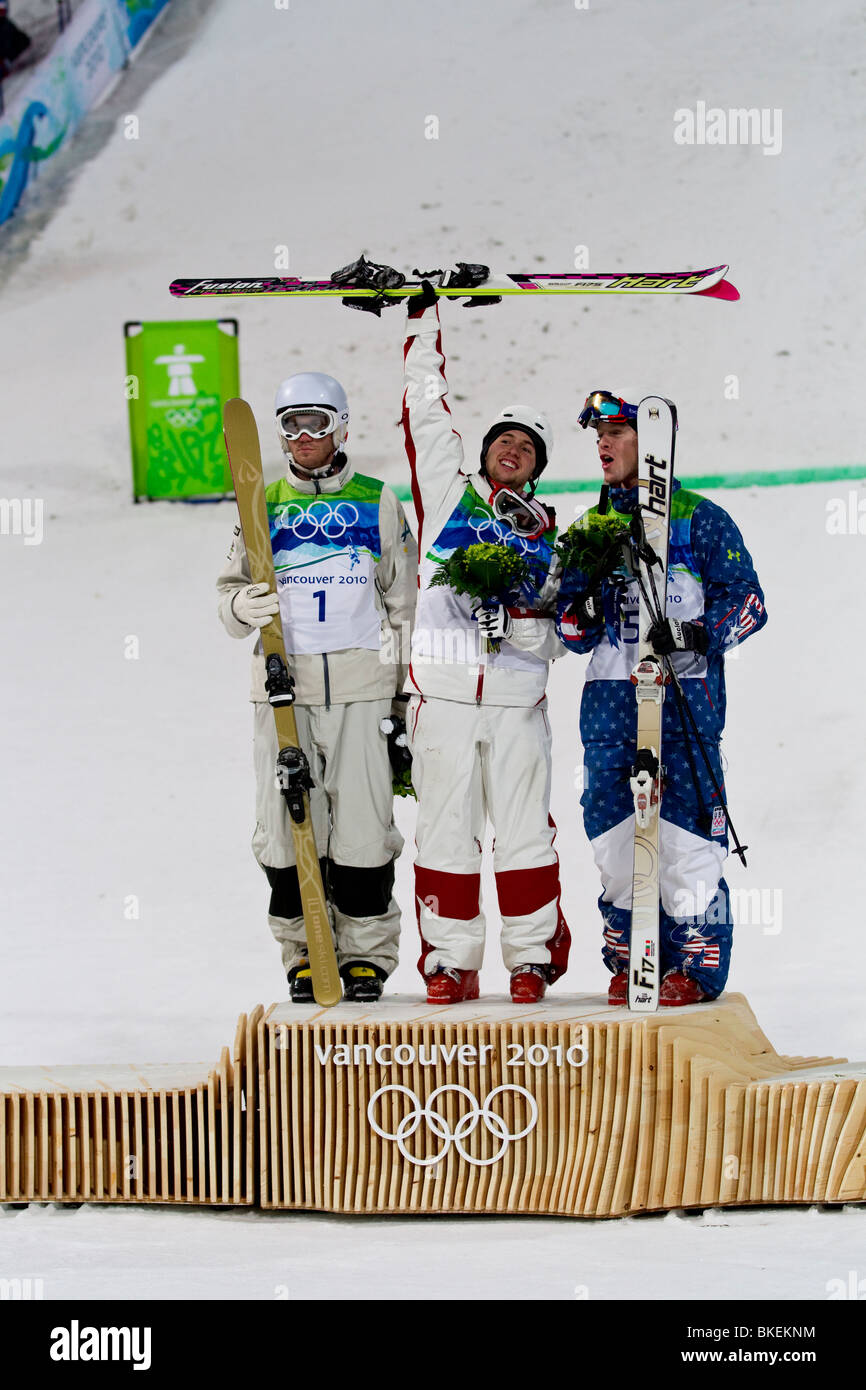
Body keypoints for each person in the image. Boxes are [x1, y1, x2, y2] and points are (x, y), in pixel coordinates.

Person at [556, 390, 767, 1006]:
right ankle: (631, 957)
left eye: (618, 433)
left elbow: (750, 603)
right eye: (599, 434)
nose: (604, 444)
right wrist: (588, 607)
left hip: (684, 709)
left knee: (687, 845)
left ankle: (695, 967)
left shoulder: (701, 518)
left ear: (654, 447)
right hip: (609, 712)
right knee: (614, 847)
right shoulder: (590, 531)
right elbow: (569, 632)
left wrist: (696, 634)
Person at [217, 373, 417, 1002]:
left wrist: (404, 694)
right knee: (284, 825)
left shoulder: (377, 500)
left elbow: (404, 602)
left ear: (342, 427)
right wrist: (240, 606)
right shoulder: (261, 502)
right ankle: (304, 950)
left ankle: (365, 954)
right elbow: (227, 594)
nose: (304, 436)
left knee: (361, 824)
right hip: (283, 690)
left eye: (317, 422)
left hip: (361, 687)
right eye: (292, 424)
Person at [400, 285, 571, 1004]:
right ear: (485, 449)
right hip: (441, 699)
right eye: (503, 437)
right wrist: (421, 315)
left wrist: (525, 627)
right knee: (444, 836)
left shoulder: (552, 538)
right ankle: (449, 962)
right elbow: (423, 412)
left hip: (514, 704)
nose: (511, 449)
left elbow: (564, 634)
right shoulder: (447, 498)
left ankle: (530, 961)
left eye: (526, 446)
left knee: (526, 834)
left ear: (535, 466)